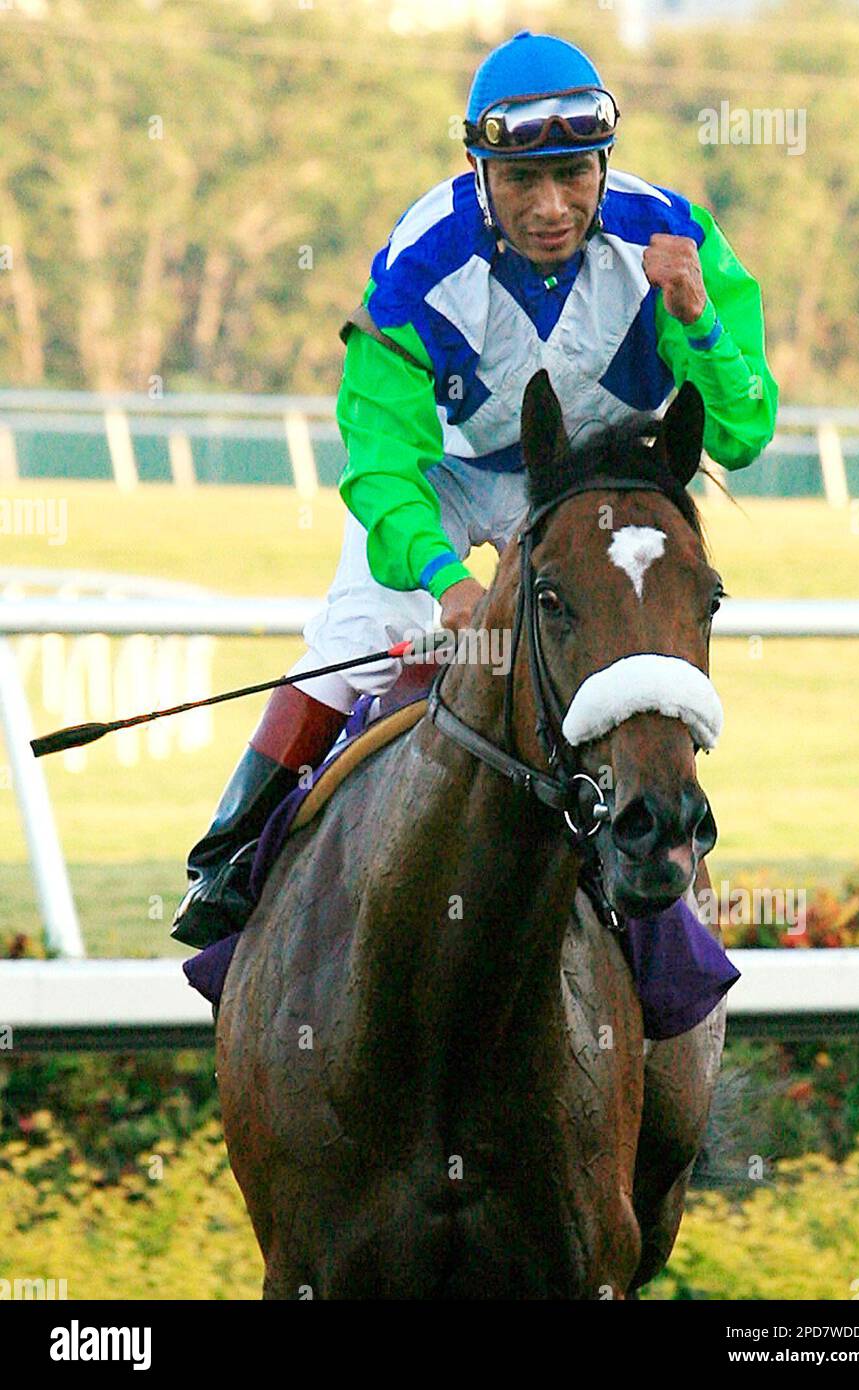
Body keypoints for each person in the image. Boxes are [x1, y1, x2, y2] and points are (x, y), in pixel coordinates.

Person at [171, 29, 778, 948]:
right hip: (446, 479)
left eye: (573, 175)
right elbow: (378, 462)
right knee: (360, 632)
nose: (550, 206)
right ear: (477, 167)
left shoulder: (674, 237)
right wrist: (447, 582)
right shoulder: (422, 264)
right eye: (520, 181)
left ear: (604, 163)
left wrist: (697, 322)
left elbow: (743, 431)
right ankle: (230, 854)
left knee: (625, 646)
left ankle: (662, 885)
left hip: (586, 486)